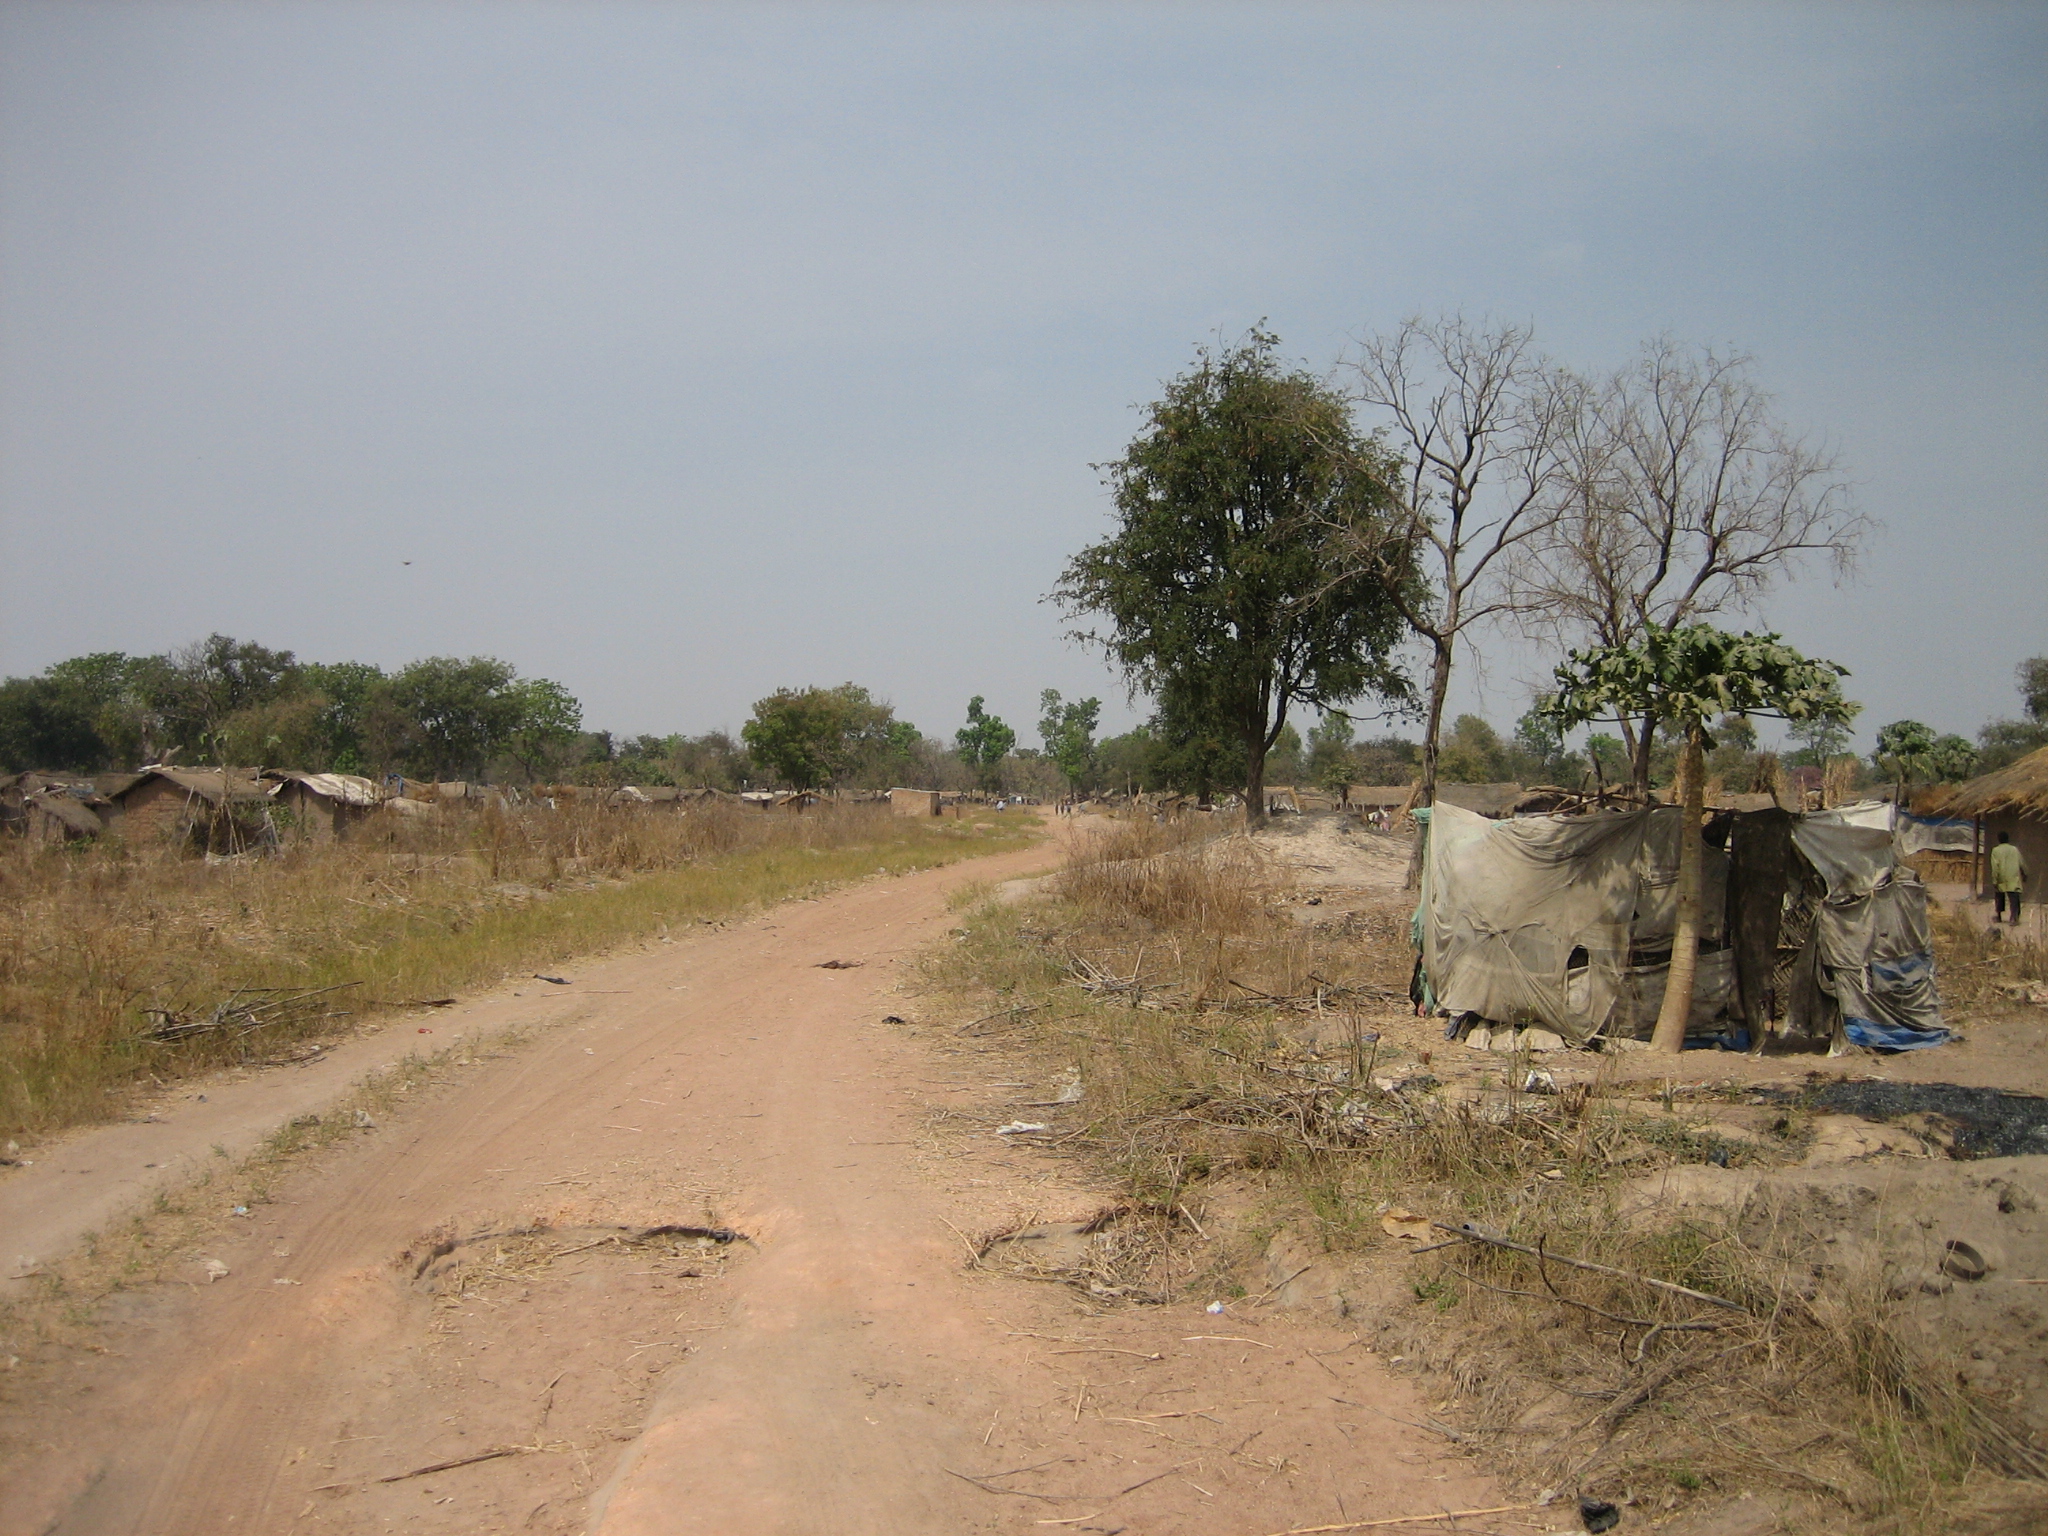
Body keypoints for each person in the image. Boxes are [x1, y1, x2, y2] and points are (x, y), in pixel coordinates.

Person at [1991, 831, 2026, 924]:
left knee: (1999, 896)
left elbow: (1995, 867)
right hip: (2013, 876)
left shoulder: (1995, 850)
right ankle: (2013, 918)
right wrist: (2024, 874)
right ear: (2008, 839)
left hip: (2001, 877)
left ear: (1998, 840)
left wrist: (1994, 880)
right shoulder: (2014, 849)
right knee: (2014, 898)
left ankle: (1998, 916)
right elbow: (2021, 863)